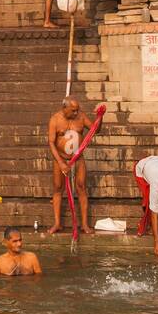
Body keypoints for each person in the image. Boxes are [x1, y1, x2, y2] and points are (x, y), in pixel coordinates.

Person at [47, 97, 96, 235]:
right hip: (60, 159)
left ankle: (84, 225)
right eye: (73, 110)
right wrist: (61, 163)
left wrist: (100, 117)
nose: (76, 113)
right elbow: (51, 142)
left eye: (77, 110)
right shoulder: (55, 119)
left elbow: (94, 130)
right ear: (65, 108)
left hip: (78, 158)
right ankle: (57, 224)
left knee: (81, 187)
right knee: (57, 188)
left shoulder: (81, 117)